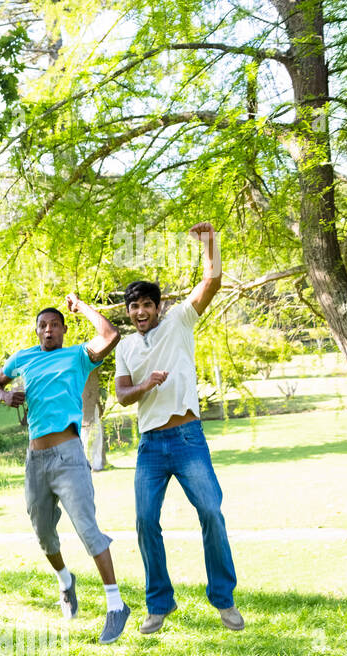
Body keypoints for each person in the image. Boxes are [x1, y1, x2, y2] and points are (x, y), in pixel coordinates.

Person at [115, 222, 243, 633]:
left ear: (158, 306)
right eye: (133, 307)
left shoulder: (179, 322)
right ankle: (158, 603)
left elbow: (212, 280)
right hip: (150, 446)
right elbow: (121, 395)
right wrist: (144, 384)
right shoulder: (127, 347)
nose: (139, 313)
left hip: (188, 438)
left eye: (146, 305)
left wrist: (210, 242)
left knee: (210, 511)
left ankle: (223, 599)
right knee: (145, 521)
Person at [0, 294, 128, 643]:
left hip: (68, 455)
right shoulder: (23, 358)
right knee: (43, 534)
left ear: (64, 329)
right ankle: (66, 580)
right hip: (35, 461)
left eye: (54, 325)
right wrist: (5, 397)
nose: (48, 329)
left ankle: (116, 605)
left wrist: (81, 306)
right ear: (37, 331)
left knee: (86, 528)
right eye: (42, 325)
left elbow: (110, 335)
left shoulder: (78, 356)